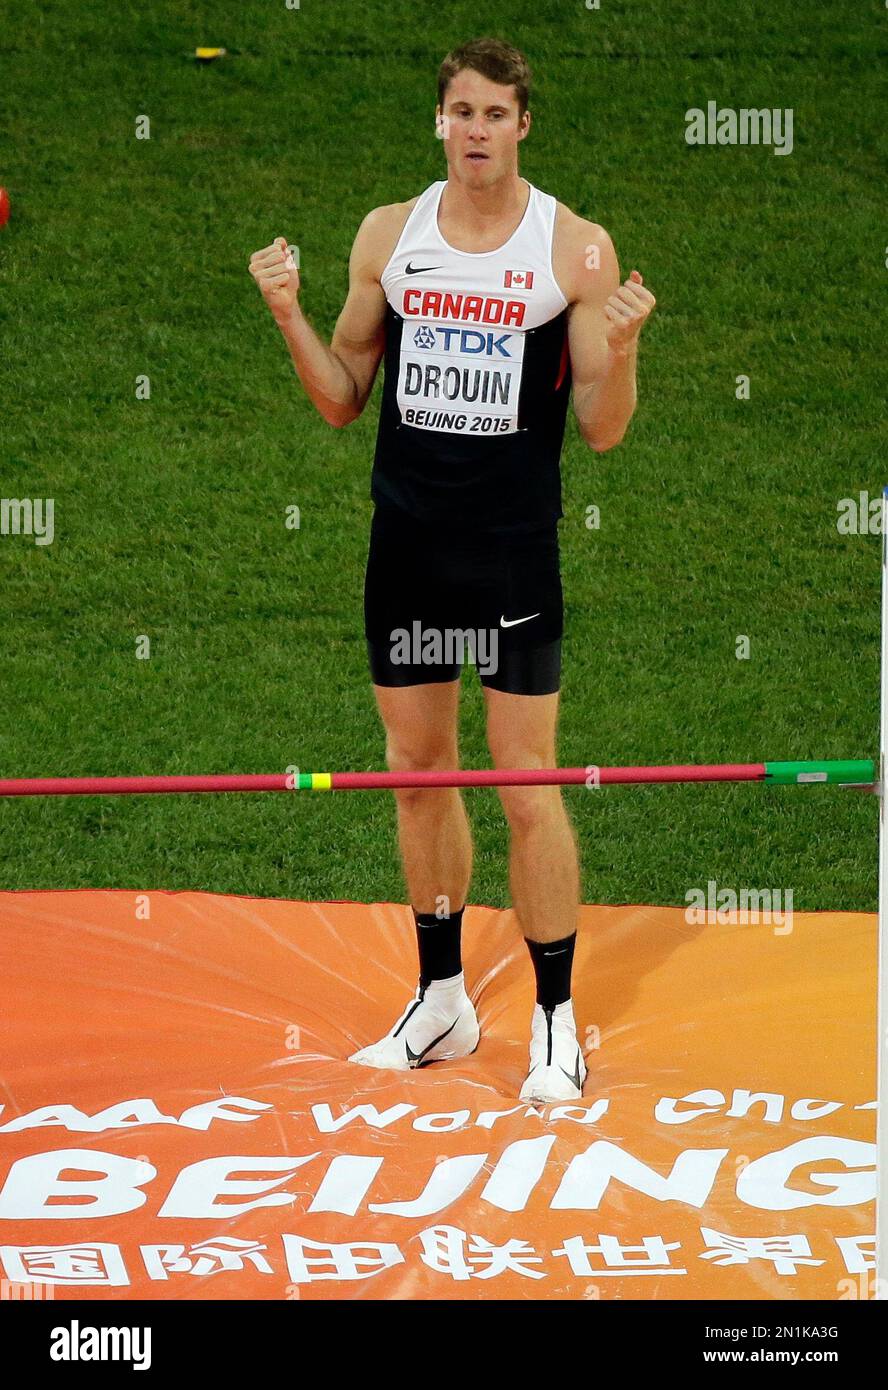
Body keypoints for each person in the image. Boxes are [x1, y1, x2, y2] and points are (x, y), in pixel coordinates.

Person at [249, 37, 655, 1102]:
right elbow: (344, 396)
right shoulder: (393, 234)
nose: (474, 131)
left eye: (494, 114)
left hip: (512, 555)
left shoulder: (574, 250)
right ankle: (441, 1000)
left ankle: (559, 1023)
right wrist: (288, 313)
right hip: (408, 549)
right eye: (459, 112)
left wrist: (625, 343)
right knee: (418, 770)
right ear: (441, 121)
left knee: (526, 782)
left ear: (526, 124)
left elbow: (604, 430)